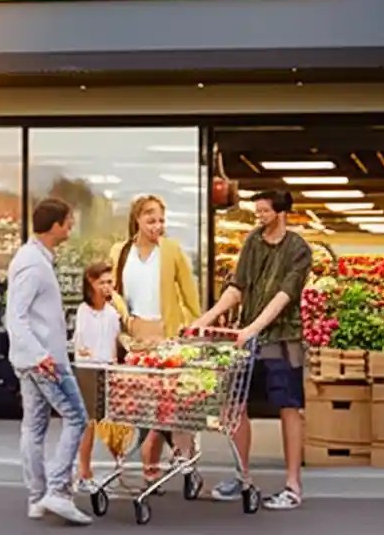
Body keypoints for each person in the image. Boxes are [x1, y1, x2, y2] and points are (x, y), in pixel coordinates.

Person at [191, 189, 312, 511]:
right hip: (248, 339)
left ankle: (292, 484)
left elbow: (284, 296)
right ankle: (242, 476)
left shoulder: (298, 249)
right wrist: (207, 318)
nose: (259, 217)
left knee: (288, 406)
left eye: (264, 212)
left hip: (283, 339)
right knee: (237, 404)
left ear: (281, 212)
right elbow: (237, 286)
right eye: (256, 212)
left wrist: (251, 329)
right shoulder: (252, 242)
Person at [6, 197, 92, 525]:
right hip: (44, 360)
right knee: (76, 417)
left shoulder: (35, 258)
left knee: (34, 426)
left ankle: (37, 497)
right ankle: (58, 490)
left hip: (33, 358)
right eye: (68, 221)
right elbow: (16, 316)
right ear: (55, 225)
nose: (71, 226)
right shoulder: (32, 263)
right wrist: (41, 355)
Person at [109, 194, 201, 489]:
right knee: (144, 404)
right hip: (135, 337)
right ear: (137, 219)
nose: (157, 226)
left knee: (171, 404)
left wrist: (195, 326)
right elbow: (111, 291)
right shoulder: (120, 251)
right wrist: (125, 319)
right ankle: (154, 464)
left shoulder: (171, 251)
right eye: (151, 220)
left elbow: (189, 293)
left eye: (161, 220)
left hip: (167, 336)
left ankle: (180, 460)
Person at [72, 261, 124, 490]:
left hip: (107, 369)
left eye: (109, 282)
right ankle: (84, 469)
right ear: (91, 284)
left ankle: (117, 463)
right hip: (88, 369)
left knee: (113, 422)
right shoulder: (84, 312)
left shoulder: (113, 314)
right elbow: (80, 343)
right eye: (101, 282)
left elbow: (115, 343)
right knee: (88, 423)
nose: (106, 287)